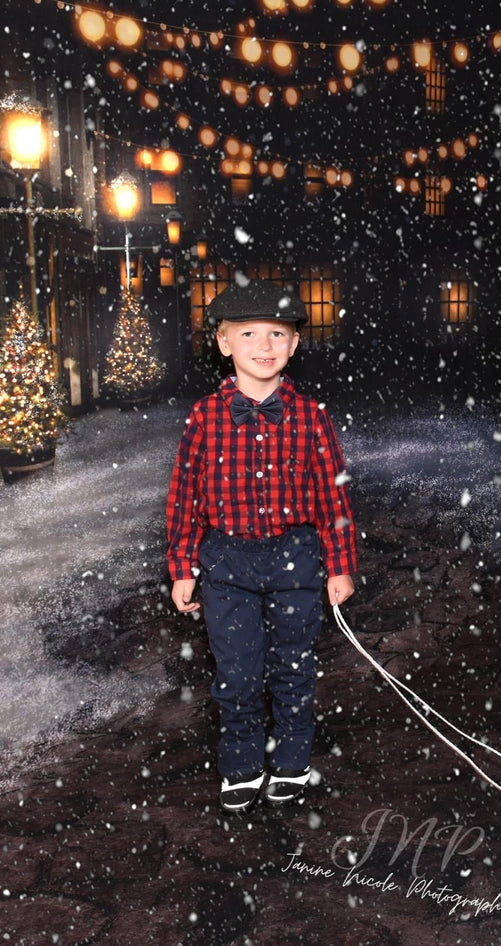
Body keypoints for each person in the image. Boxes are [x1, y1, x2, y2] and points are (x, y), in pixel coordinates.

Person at [166, 278, 357, 814]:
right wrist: (182, 567)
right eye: (248, 333)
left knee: (294, 667)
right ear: (223, 342)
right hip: (226, 562)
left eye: (277, 333)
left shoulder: (312, 415)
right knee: (238, 672)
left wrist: (339, 565)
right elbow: (184, 497)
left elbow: (334, 496)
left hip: (296, 558)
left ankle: (292, 760)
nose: (264, 345)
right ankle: (243, 763)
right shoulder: (204, 416)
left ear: (294, 343)